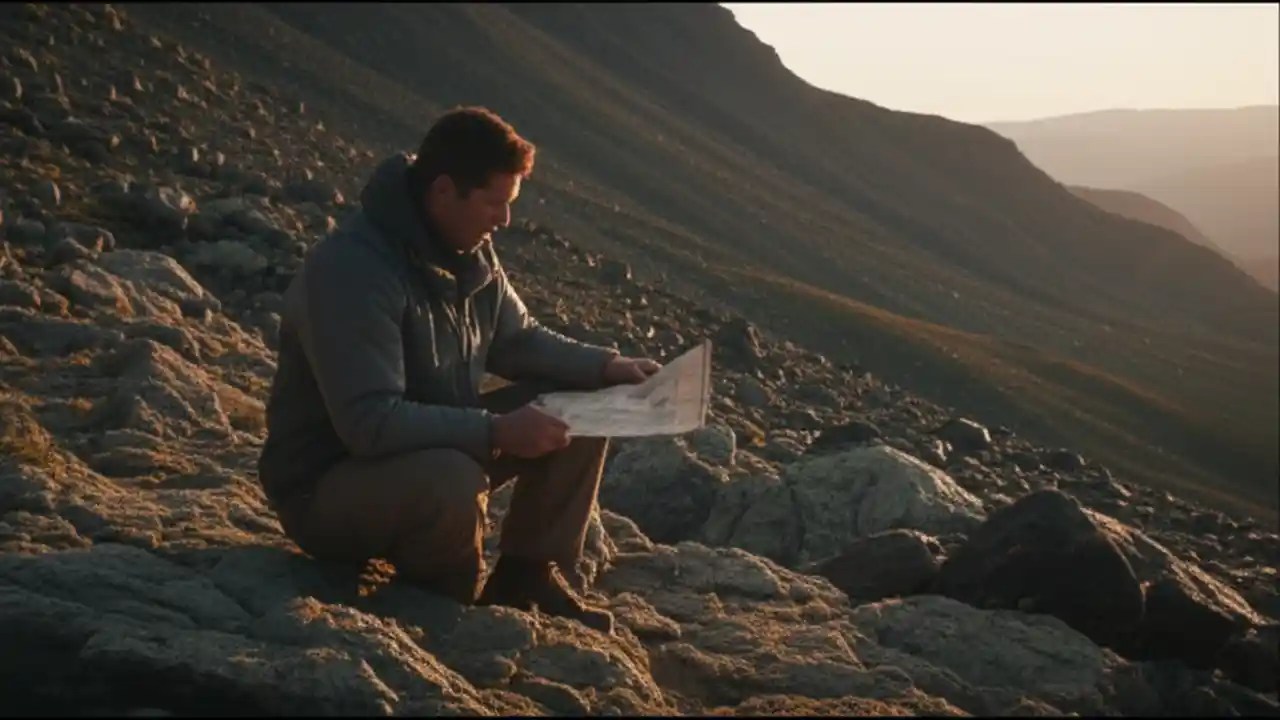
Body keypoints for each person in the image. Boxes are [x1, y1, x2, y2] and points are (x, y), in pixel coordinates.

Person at [257, 106, 661, 634]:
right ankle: (445, 603)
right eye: (495, 202)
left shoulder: (469, 251)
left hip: (430, 451)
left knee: (579, 406)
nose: (505, 220)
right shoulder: (353, 271)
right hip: (328, 488)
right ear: (444, 191)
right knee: (453, 477)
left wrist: (609, 366)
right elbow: (369, 423)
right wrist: (495, 431)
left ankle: (528, 573)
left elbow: (515, 339)